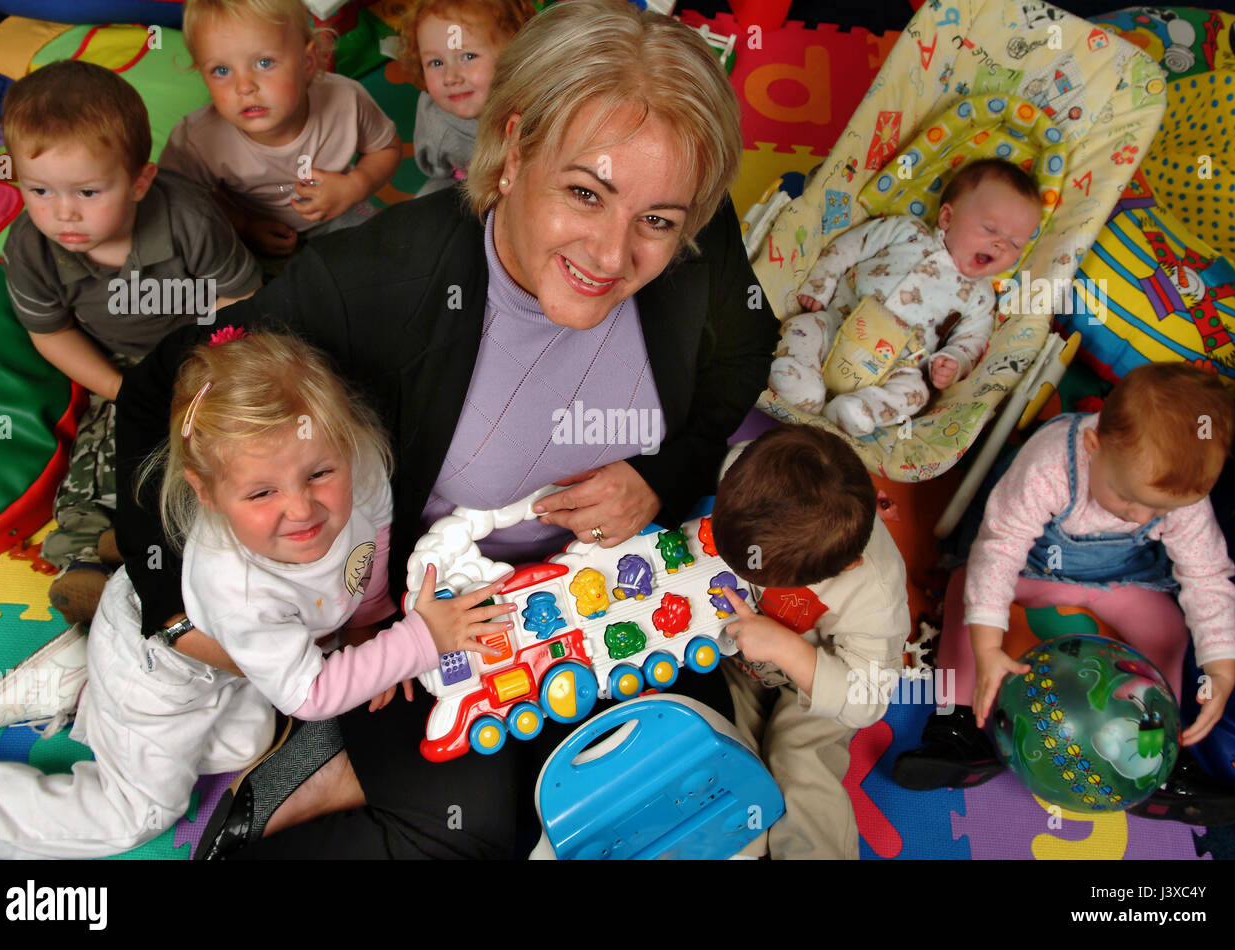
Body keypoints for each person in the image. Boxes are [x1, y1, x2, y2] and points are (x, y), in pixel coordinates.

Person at [107, 0, 778, 859]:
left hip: (610, 586)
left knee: (686, 801)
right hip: (434, 614)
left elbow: (745, 344)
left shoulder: (691, 227)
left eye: (656, 221)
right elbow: (159, 388)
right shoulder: (369, 285)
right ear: (512, 148)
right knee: (476, 837)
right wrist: (170, 605)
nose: (614, 255)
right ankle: (308, 778)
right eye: (585, 193)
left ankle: (345, 770)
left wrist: (666, 469)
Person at [0, 331, 505, 859]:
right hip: (157, 675)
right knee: (140, 815)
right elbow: (310, 697)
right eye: (263, 492)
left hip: (229, 666)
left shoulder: (360, 467)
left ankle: (86, 685)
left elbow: (374, 540)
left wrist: (372, 620)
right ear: (207, 493)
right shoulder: (235, 584)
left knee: (248, 741)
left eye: (319, 473)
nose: (301, 509)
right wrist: (419, 640)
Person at [894, 362, 1235, 826]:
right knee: (968, 591)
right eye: (1127, 498)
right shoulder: (1051, 462)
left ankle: (1156, 757)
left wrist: (1220, 665)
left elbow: (1207, 575)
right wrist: (986, 647)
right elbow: (1000, 550)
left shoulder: (1177, 489)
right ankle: (958, 727)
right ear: (1093, 446)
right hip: (1029, 565)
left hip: (1123, 578)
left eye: (1159, 510)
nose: (1139, 516)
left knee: (1167, 627)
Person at [0, 59, 260, 629]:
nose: (63, 212)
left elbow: (237, 300)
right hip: (118, 366)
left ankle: (195, 543)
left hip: (201, 351)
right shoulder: (32, 247)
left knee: (231, 438)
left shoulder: (187, 218)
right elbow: (52, 333)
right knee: (100, 449)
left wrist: (211, 369)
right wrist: (123, 389)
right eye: (38, 190)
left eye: (88, 191)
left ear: (139, 181)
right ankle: (89, 554)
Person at [710, 424, 910, 858]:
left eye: (760, 573)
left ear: (849, 565)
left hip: (823, 681)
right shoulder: (743, 470)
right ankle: (737, 843)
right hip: (740, 659)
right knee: (718, 741)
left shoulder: (874, 589)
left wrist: (786, 649)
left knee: (798, 757)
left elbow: (866, 698)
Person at [770, 158, 1042, 436]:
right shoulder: (908, 231)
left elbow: (971, 343)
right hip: (838, 320)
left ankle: (857, 409)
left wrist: (953, 361)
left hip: (894, 366)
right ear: (947, 218)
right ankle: (801, 381)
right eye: (990, 229)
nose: (1000, 244)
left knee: (915, 394)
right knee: (804, 327)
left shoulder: (981, 297)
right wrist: (821, 284)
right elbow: (852, 247)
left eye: (1015, 244)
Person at [159, 0, 403, 260]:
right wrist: (241, 226)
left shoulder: (346, 100)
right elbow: (179, 201)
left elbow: (386, 148)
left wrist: (356, 185)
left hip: (341, 209)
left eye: (264, 63)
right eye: (221, 70)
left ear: (308, 62)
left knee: (388, 256)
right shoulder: (197, 140)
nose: (244, 87)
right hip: (251, 236)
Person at [397, 0, 535, 196]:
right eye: (436, 62)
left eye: (468, 56)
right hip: (467, 189)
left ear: (517, 49)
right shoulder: (433, 116)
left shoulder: (543, 95)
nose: (450, 77)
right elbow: (437, 169)